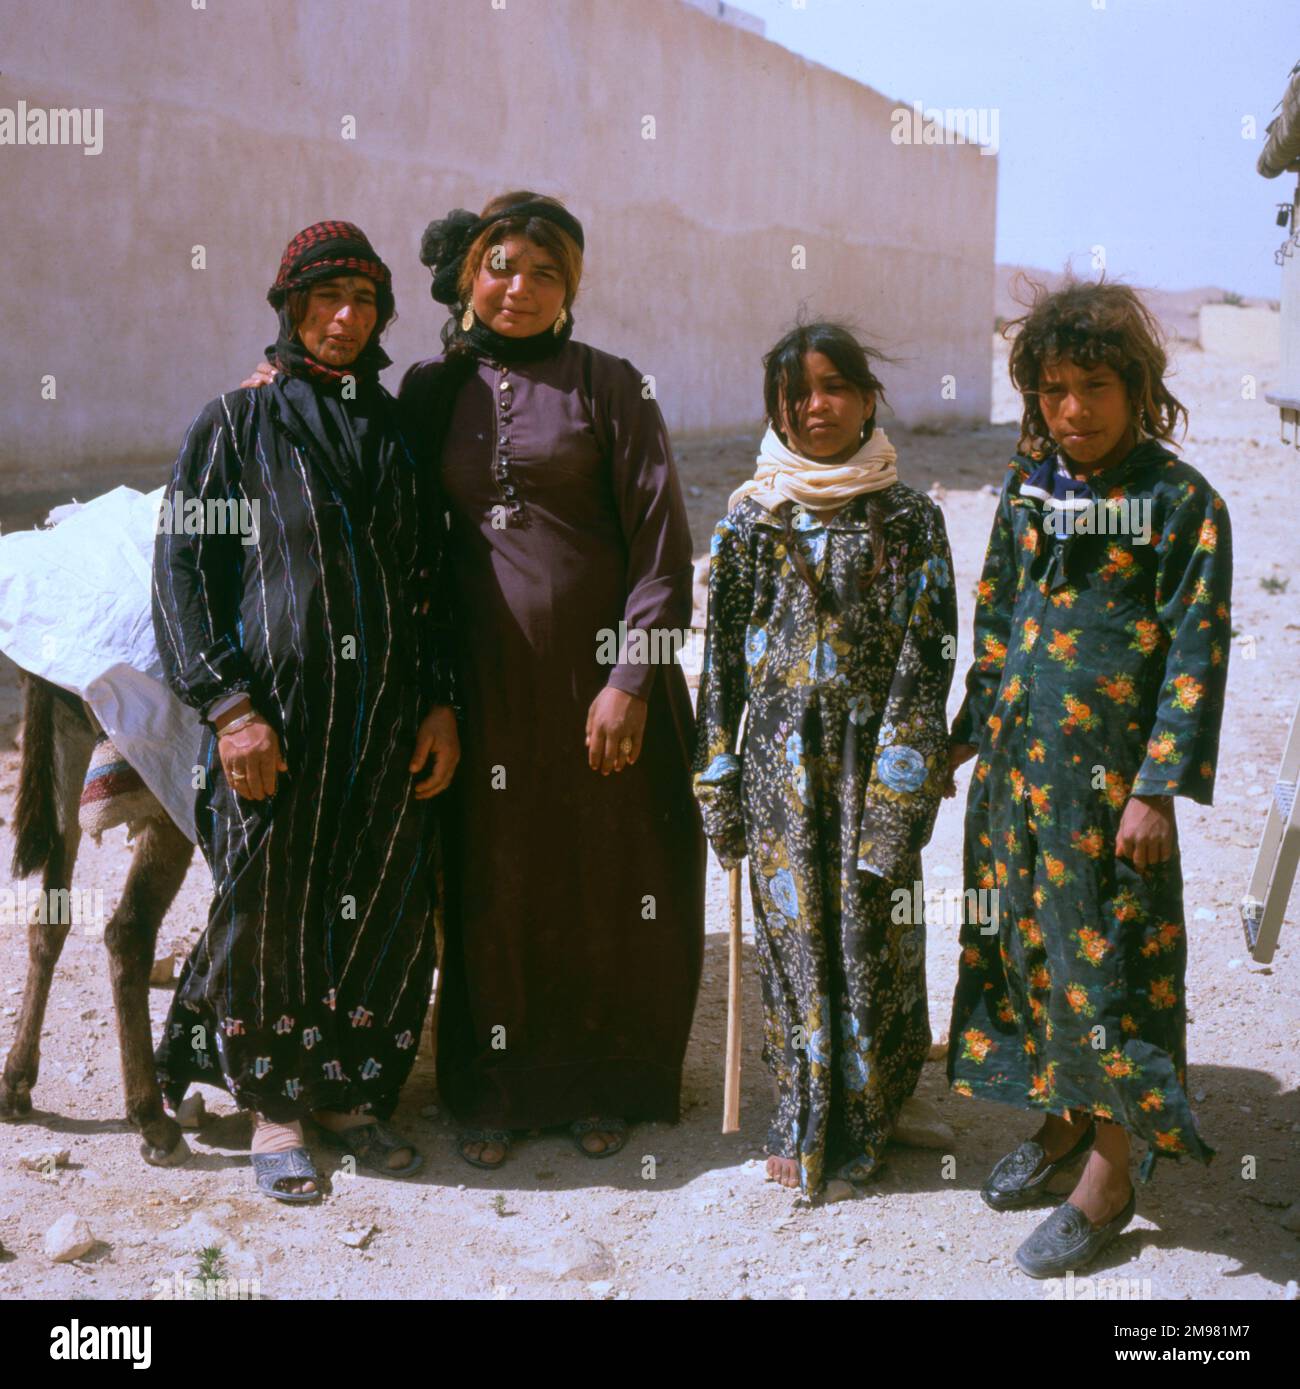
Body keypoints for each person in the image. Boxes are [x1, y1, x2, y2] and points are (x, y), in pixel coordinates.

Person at [152, 221, 460, 1202]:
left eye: (363, 302)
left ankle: (347, 1093)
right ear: (289, 308)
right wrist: (232, 708)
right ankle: (273, 1105)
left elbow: (434, 576)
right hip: (274, 728)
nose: (343, 318)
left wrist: (441, 703)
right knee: (271, 909)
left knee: (382, 904)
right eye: (324, 299)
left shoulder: (398, 429)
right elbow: (186, 576)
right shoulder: (233, 426)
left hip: (384, 725)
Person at [400, 192, 705, 1167]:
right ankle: (495, 1087)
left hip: (604, 694)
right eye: (500, 266)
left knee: (610, 884)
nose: (518, 288)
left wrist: (630, 682)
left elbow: (664, 552)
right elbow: (395, 536)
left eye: (542, 272)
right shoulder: (427, 392)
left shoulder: (612, 387)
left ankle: (603, 1082)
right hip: (483, 696)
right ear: (468, 276)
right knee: (493, 883)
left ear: (570, 286)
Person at [945, 277, 1232, 1277]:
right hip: (1016, 784)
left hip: (1110, 800)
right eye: (1053, 390)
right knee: (1030, 949)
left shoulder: (1179, 502)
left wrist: (1156, 788)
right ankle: (1064, 1118)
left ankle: (1112, 1172)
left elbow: (1195, 657)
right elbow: (995, 620)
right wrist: (962, 735)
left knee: (1110, 972)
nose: (1072, 410)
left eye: (1094, 387)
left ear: (1138, 386)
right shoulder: (1031, 485)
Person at [693, 322, 957, 1198]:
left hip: (872, 772)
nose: (816, 406)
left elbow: (928, 663)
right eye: (795, 392)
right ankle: (807, 1117)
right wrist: (720, 781)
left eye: (835, 386)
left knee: (875, 940)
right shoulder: (750, 519)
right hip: (776, 781)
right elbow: (721, 665)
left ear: (868, 398)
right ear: (776, 407)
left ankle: (879, 1105)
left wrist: (898, 793)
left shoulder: (911, 517)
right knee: (795, 946)